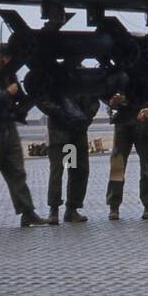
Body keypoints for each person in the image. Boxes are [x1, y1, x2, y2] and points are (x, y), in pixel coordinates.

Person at [0, 44, 46, 228]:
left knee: (17, 172)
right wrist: (8, 93)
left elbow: (18, 98)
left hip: (8, 128)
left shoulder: (6, 76)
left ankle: (27, 212)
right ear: (1, 59)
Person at [40, 92, 100, 224]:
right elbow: (42, 100)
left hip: (76, 133)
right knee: (58, 171)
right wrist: (60, 113)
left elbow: (95, 101)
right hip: (60, 134)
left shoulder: (83, 77)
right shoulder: (53, 78)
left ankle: (71, 209)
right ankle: (54, 210)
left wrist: (85, 117)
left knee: (77, 170)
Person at [105, 82, 148, 221]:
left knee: (145, 166)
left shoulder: (142, 75)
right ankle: (114, 206)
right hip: (123, 122)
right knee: (118, 166)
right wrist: (113, 103)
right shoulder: (120, 76)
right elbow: (108, 101)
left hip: (141, 122)